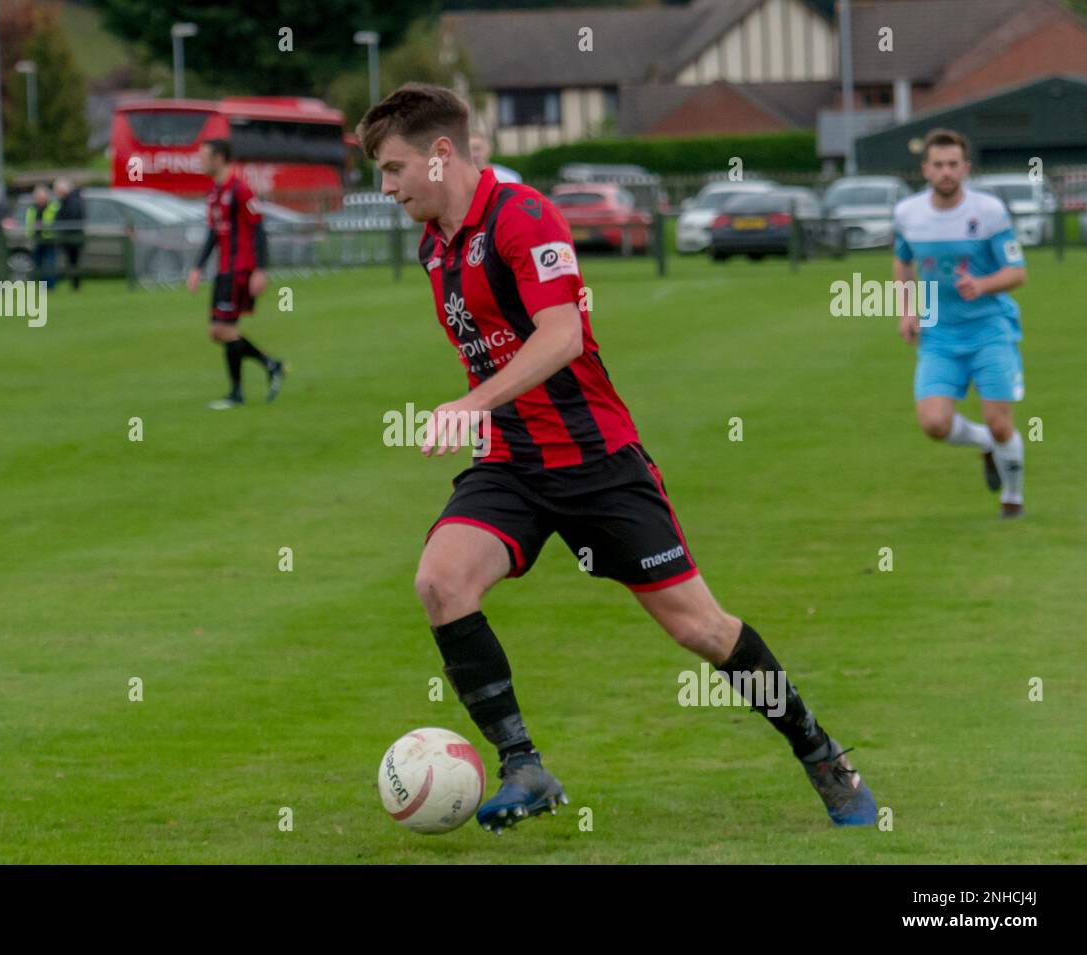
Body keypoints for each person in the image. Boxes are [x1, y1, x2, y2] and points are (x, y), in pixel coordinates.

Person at [356, 82, 876, 833]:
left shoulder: (524, 216)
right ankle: (523, 764)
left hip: (598, 462)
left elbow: (562, 335)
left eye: (395, 167)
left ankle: (819, 750)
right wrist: (485, 417)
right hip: (510, 462)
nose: (386, 185)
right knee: (440, 581)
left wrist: (470, 403)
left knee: (702, 628)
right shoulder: (435, 245)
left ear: (442, 154)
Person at [893, 129, 1028, 519]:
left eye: (953, 164)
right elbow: (902, 263)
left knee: (1001, 422)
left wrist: (983, 284)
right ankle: (987, 444)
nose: (946, 172)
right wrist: (907, 310)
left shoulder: (989, 212)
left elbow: (1017, 272)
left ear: (965, 168)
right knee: (934, 423)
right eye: (938, 165)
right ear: (925, 169)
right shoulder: (908, 214)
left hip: (990, 331)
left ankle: (1013, 497)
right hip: (939, 335)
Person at [186, 138, 284, 410]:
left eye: (204, 156)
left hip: (240, 270)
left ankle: (256, 376)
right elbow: (213, 234)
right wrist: (197, 267)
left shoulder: (241, 189)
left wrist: (260, 270)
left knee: (222, 329)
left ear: (219, 158)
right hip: (222, 271)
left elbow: (258, 229)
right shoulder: (215, 192)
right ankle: (242, 387)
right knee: (219, 331)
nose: (200, 161)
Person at [53, 177, 85, 291]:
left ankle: (76, 286)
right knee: (71, 262)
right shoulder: (67, 201)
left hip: (73, 237)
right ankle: (74, 285)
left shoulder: (73, 201)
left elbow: (71, 217)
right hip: (69, 237)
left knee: (74, 262)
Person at [24, 185, 59, 288]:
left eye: (42, 197)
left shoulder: (53, 207)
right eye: (38, 197)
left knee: (49, 263)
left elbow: (56, 221)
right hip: (37, 240)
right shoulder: (32, 209)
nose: (40, 200)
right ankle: (42, 285)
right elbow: (28, 223)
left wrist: (45, 225)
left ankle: (51, 286)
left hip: (49, 240)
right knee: (38, 264)